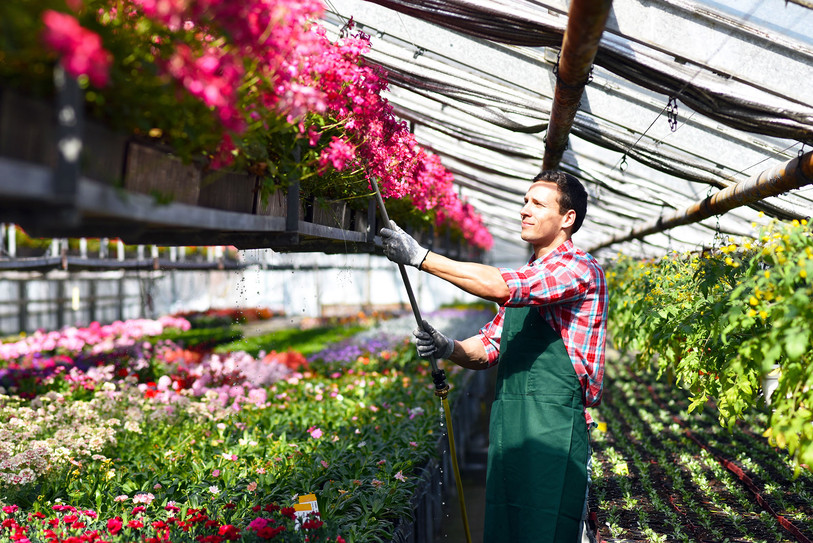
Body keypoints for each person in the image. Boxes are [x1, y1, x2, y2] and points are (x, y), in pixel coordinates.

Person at [379, 170, 607, 543]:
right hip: (511, 429)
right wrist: (448, 347)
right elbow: (487, 348)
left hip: (553, 430)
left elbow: (502, 286)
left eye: (537, 203)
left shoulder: (578, 268)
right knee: (507, 527)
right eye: (524, 201)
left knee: (545, 528)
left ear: (568, 219)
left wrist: (421, 257)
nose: (524, 210)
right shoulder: (531, 273)